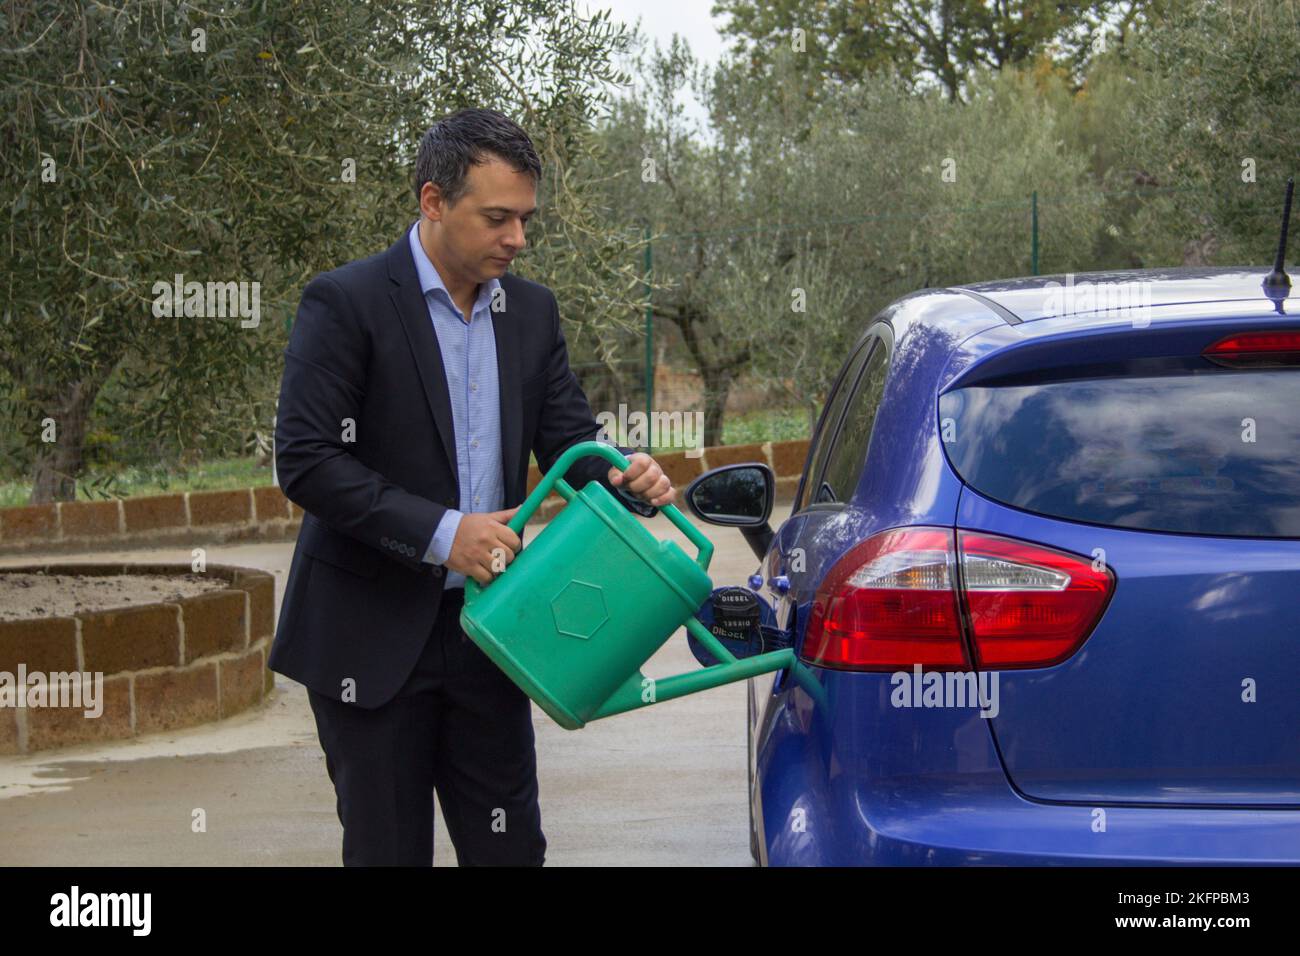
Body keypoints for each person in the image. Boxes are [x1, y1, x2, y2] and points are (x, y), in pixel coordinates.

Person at [269, 107, 676, 866]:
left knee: (510, 851)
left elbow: (569, 440)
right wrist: (444, 533)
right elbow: (307, 459)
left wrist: (622, 472)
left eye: (524, 218)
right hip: (369, 639)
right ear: (432, 201)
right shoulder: (345, 302)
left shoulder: (531, 310)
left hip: (497, 632)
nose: (517, 239)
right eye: (497, 218)